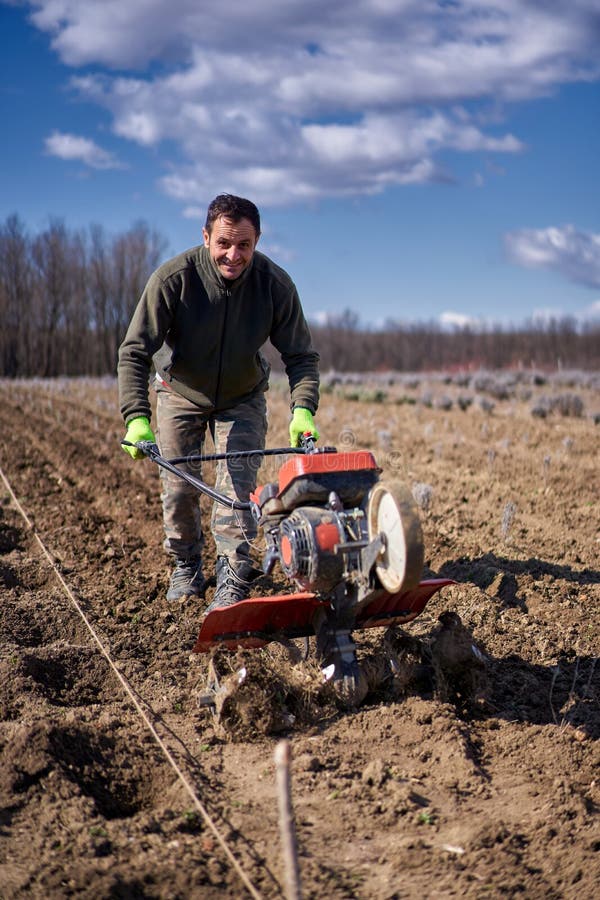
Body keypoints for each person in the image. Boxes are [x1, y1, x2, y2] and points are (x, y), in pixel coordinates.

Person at [118, 194, 320, 613]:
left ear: (257, 241)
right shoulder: (174, 280)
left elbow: (301, 356)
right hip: (180, 392)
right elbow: (134, 351)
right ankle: (186, 564)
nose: (234, 254)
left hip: (242, 398)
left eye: (244, 245)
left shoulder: (274, 285)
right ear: (206, 236)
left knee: (236, 492)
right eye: (224, 243)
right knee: (179, 488)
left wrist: (302, 410)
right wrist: (136, 418)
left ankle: (233, 572)